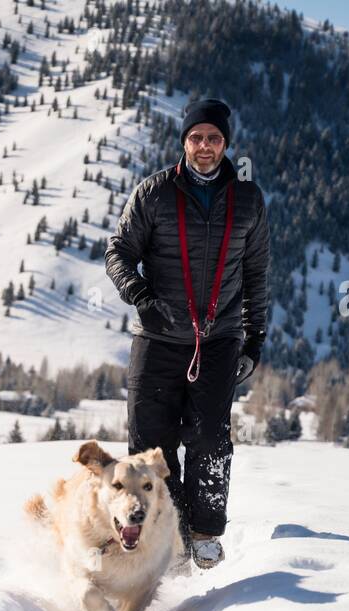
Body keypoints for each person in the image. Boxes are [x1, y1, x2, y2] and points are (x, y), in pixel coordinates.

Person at [104, 98, 270, 569]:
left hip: (218, 341)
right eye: (196, 137)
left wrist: (254, 339)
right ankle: (167, 535)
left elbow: (257, 273)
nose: (204, 146)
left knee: (210, 439)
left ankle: (204, 532)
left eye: (214, 138)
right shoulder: (154, 193)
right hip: (156, 339)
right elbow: (118, 252)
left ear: (226, 144)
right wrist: (141, 297)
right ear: (184, 141)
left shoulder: (248, 201)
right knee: (148, 447)